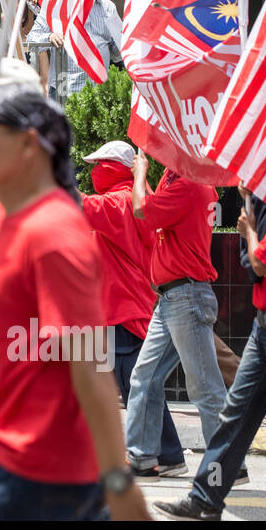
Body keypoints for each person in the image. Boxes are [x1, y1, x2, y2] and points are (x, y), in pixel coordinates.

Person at [0, 86, 150, 520]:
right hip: (11, 460)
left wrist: (118, 483)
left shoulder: (51, 232)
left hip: (37, 475)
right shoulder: (18, 222)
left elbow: (88, 363)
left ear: (28, 144)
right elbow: (30, 345)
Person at [155, 137, 266, 520]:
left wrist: (248, 229)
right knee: (234, 417)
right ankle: (205, 497)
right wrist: (249, 206)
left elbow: (263, 262)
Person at [79, 140, 187, 477]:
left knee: (137, 383)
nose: (95, 171)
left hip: (125, 307)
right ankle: (158, 452)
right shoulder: (134, 197)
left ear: (118, 169)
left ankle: (165, 453)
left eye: (101, 165)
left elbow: (82, 206)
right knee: (138, 384)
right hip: (126, 304)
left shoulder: (122, 200)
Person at [123, 156, 227, 480]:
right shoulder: (185, 181)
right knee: (144, 377)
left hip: (185, 296)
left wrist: (140, 173)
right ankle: (141, 456)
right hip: (173, 297)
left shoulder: (189, 186)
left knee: (204, 387)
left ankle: (227, 463)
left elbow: (142, 209)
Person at [28, 0, 123, 98]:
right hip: (65, 93)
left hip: (99, 94)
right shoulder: (56, 5)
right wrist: (49, 37)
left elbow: (118, 52)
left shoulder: (108, 7)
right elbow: (31, 39)